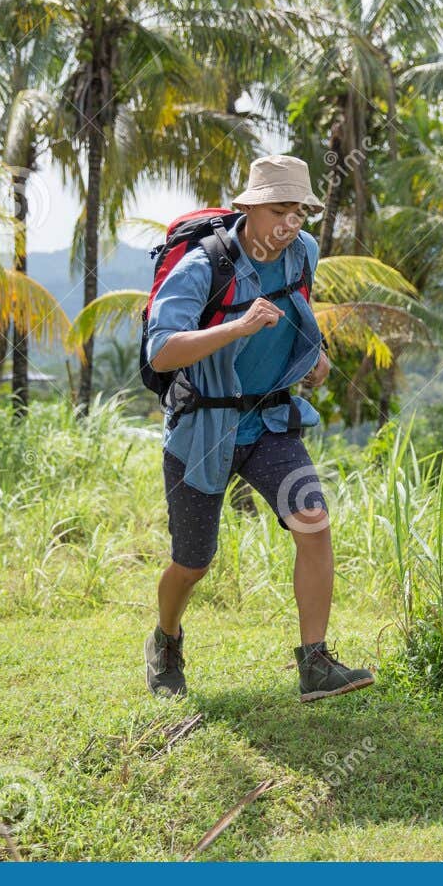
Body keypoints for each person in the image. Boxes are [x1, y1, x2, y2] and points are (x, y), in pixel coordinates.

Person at [141, 154, 374, 703]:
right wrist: (238, 327)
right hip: (205, 427)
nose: (290, 222)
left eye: (298, 211)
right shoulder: (203, 267)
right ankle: (166, 640)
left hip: (270, 422)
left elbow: (296, 316)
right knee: (192, 563)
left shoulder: (304, 255)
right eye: (280, 210)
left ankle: (314, 663)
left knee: (313, 521)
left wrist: (312, 356)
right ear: (249, 207)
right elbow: (163, 350)